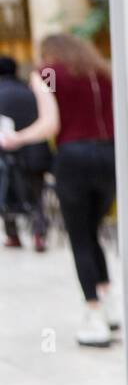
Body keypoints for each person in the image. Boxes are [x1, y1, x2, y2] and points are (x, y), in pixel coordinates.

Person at [0, 34, 117, 346]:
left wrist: (18, 138)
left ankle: (94, 313)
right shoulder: (101, 72)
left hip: (73, 157)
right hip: (110, 156)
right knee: (94, 231)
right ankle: (108, 301)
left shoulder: (49, 73)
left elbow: (50, 123)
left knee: (79, 236)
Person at [0, 56, 52, 251]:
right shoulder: (31, 91)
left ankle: (13, 235)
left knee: (6, 193)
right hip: (36, 153)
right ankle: (39, 234)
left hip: (6, 154)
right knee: (37, 196)